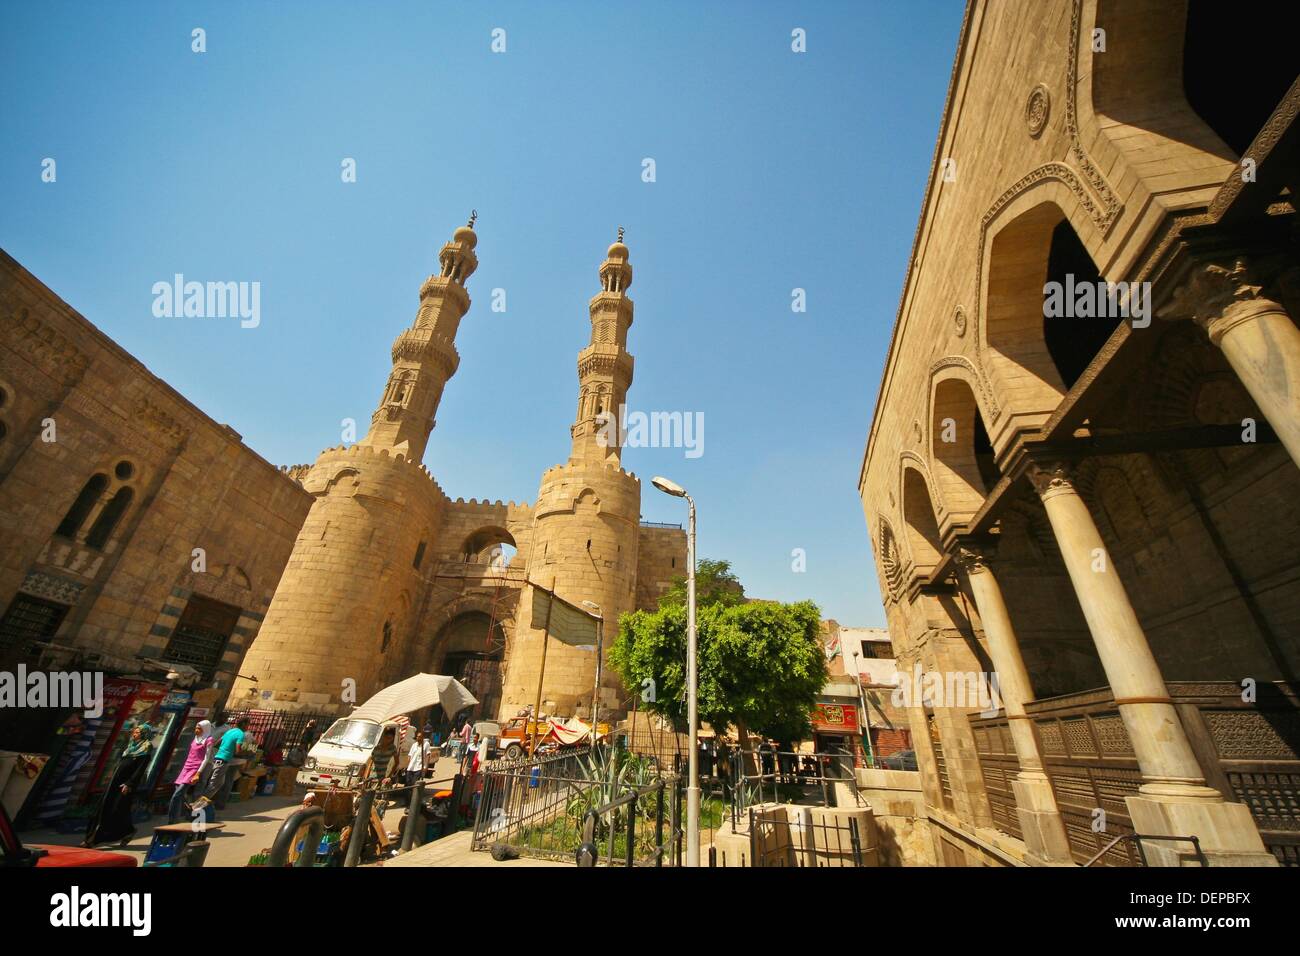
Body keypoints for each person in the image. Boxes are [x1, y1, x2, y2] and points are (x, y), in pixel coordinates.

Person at [83, 721, 154, 847]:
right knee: (106, 808)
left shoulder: (146, 748)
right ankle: (125, 831)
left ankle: (94, 839)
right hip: (113, 783)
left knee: (115, 810)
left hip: (124, 786)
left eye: (138, 732)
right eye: (135, 731)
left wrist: (129, 784)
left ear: (144, 734)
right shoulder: (131, 746)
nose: (134, 734)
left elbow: (140, 769)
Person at [191, 716, 249, 814]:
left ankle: (199, 804)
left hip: (217, 758)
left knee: (218, 783)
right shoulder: (240, 734)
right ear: (243, 724)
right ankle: (197, 806)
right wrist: (247, 753)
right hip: (223, 760)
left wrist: (225, 748)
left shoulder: (230, 731)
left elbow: (217, 743)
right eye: (248, 724)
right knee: (214, 785)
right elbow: (238, 751)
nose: (248, 727)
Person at [167, 719, 214, 824]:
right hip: (186, 767)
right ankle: (189, 810)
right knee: (178, 793)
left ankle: (172, 820)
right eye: (196, 727)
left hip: (195, 768)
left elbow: (206, 758)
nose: (196, 730)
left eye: (199, 728)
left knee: (177, 795)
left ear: (204, 729)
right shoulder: (196, 738)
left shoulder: (209, 740)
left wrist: (198, 773)